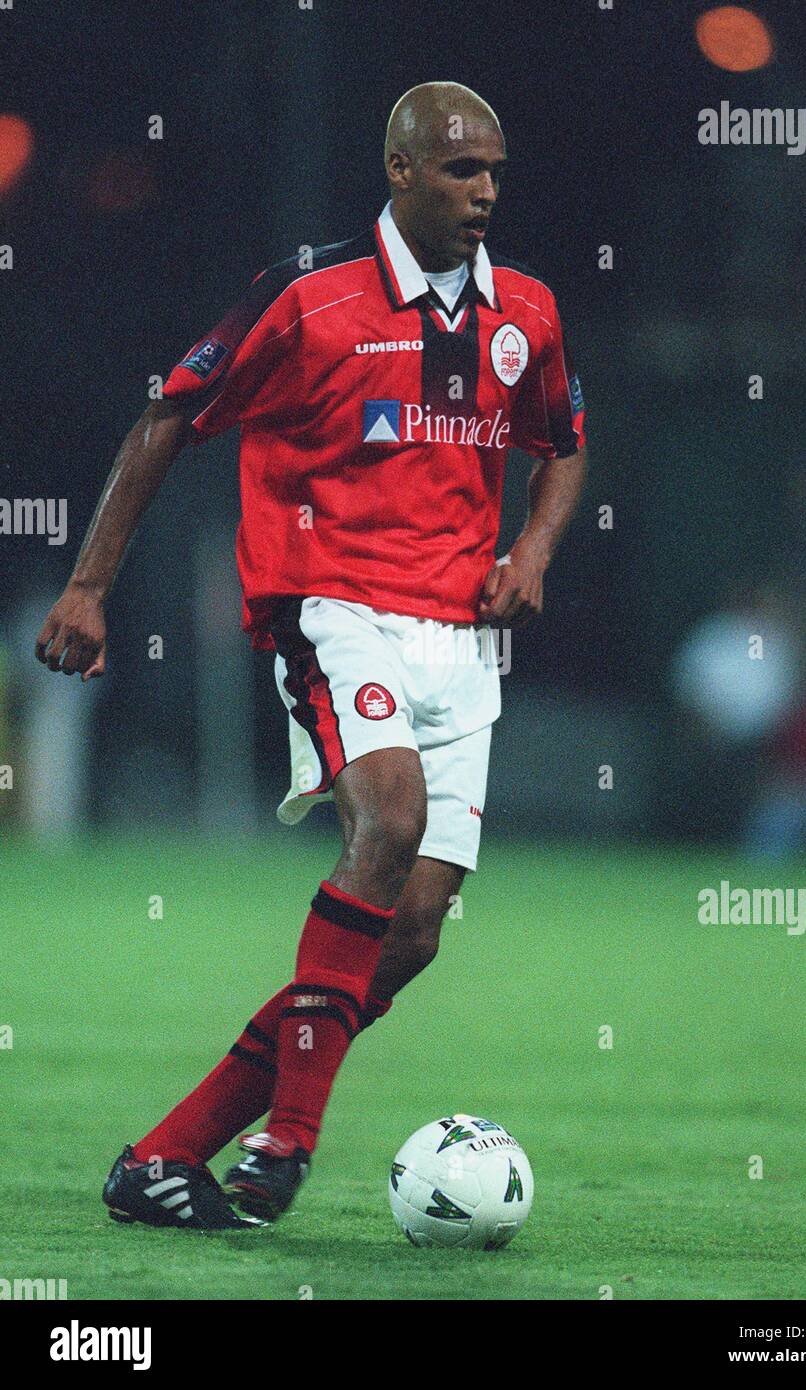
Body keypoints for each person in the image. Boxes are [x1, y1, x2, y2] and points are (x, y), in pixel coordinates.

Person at [35, 81, 587, 1230]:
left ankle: (167, 1155)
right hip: (331, 606)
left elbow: (564, 442)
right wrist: (88, 584)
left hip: (461, 640)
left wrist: (532, 547)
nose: (483, 191)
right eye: (457, 170)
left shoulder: (524, 309)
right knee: (383, 824)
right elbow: (168, 416)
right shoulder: (308, 299)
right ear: (397, 170)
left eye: (493, 170)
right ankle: (287, 1141)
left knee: (416, 931)